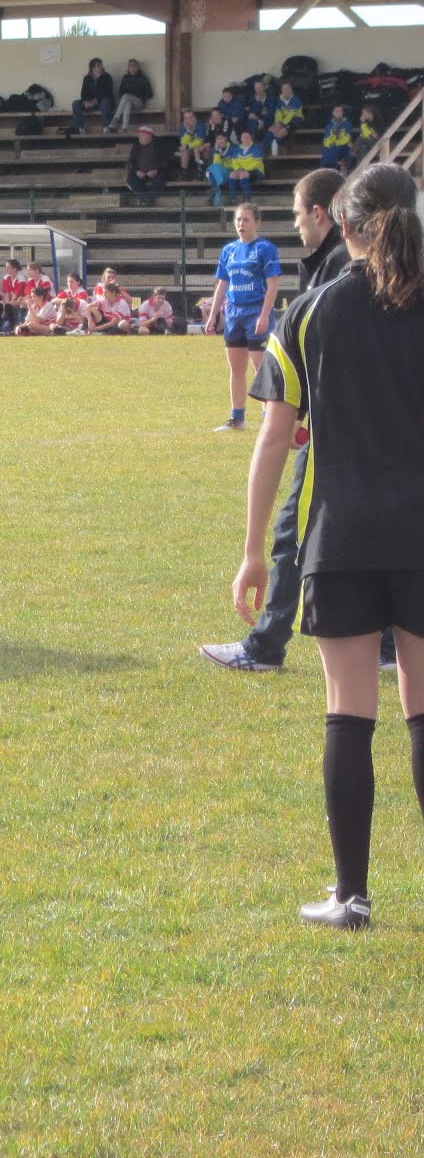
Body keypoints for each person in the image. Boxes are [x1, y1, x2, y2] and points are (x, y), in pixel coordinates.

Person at [229, 163, 424, 929]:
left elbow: (274, 442)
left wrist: (252, 551)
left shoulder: (310, 315)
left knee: (350, 713)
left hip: (338, 536)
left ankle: (351, 896)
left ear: (342, 227)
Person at [200, 168, 395, 674]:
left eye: (296, 213)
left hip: (334, 432)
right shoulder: (367, 271)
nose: (296, 225)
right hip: (382, 436)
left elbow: (330, 354)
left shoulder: (336, 276)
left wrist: (296, 412)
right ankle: (391, 643)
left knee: (291, 529)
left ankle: (267, 644)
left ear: (326, 214)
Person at [203, 200, 280, 431]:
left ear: (257, 223)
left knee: (260, 369)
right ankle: (237, 418)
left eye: (246, 219)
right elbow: (222, 285)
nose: (241, 224)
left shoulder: (265, 249)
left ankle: (269, 418)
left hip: (256, 312)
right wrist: (213, 314)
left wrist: (265, 316)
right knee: (236, 369)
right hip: (234, 315)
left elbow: (273, 284)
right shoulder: (229, 250)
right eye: (238, 219)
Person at [125, 123, 170, 205]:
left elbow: (165, 162)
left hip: (156, 172)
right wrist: (136, 171)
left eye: (142, 134)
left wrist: (156, 171)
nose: (140, 136)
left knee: (159, 181)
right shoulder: (136, 145)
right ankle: (144, 199)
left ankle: (149, 200)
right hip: (140, 173)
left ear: (149, 135)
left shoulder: (159, 144)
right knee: (131, 179)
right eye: (139, 134)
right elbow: (131, 161)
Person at [72, 57, 114, 134]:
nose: (101, 67)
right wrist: (85, 101)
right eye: (99, 65)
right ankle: (80, 128)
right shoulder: (87, 78)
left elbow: (107, 92)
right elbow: (83, 93)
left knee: (105, 101)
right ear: (93, 68)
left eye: (101, 65)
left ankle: (106, 127)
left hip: (101, 102)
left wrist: (95, 101)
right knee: (76, 103)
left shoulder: (107, 77)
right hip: (90, 102)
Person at [110, 58, 152, 133]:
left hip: (139, 102)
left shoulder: (143, 78)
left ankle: (116, 118)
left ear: (138, 67)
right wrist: (128, 97)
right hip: (128, 101)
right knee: (127, 104)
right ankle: (124, 128)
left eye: (134, 66)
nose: (132, 68)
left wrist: (140, 96)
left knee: (126, 96)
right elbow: (121, 92)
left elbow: (149, 93)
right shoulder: (125, 78)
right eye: (130, 66)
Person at [226, 127, 266, 202]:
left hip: (256, 171)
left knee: (243, 174)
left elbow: (256, 163)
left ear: (251, 137)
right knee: (232, 174)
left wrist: (244, 170)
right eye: (243, 137)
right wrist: (238, 169)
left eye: (247, 137)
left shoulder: (256, 147)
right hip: (242, 171)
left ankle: (247, 199)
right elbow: (234, 162)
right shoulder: (237, 148)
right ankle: (232, 199)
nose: (245, 139)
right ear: (240, 138)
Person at [268, 80, 304, 156]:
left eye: (287, 89)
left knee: (283, 131)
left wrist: (282, 124)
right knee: (272, 129)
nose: (285, 91)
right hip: (283, 121)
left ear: (291, 90)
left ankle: (282, 151)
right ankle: (273, 150)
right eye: (284, 89)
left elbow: (291, 114)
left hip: (296, 120)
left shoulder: (296, 99)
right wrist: (278, 123)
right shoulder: (280, 99)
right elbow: (278, 112)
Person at [176, 109, 209, 180]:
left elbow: (200, 141)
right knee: (184, 151)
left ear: (195, 117)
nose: (189, 120)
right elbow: (183, 143)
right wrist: (188, 131)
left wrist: (187, 146)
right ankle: (184, 174)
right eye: (186, 118)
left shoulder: (201, 125)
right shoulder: (183, 126)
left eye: (191, 117)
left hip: (201, 149)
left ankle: (201, 172)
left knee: (196, 148)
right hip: (191, 150)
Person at [321, 105, 354, 170]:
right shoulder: (329, 125)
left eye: (340, 111)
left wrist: (335, 143)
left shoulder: (347, 124)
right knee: (327, 150)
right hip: (333, 147)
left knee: (334, 150)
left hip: (345, 146)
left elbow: (346, 139)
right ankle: (329, 170)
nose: (339, 113)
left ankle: (336, 165)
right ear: (333, 113)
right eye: (337, 111)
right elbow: (326, 140)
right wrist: (330, 144)